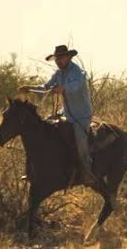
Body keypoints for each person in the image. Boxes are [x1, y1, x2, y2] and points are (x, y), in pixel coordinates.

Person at [18, 44, 97, 185]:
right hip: (66, 113)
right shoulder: (59, 74)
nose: (58, 61)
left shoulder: (77, 72)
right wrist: (30, 88)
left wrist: (63, 88)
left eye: (61, 58)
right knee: (44, 129)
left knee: (81, 143)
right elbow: (46, 87)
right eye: (57, 59)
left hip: (81, 115)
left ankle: (88, 174)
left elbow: (75, 86)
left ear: (68, 57)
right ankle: (36, 170)